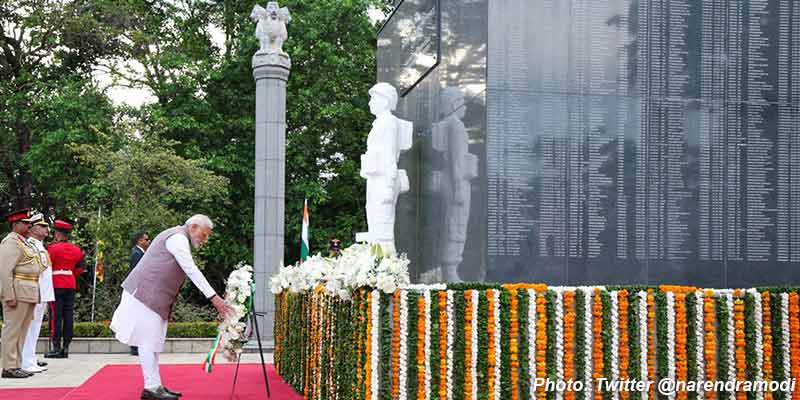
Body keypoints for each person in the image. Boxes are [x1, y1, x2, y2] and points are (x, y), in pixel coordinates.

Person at [111, 215, 233, 400]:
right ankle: (151, 388)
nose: (204, 239)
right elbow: (190, 269)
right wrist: (214, 298)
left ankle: (155, 386)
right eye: (204, 234)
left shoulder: (179, 236)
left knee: (153, 342)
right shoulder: (178, 238)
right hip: (144, 295)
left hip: (153, 298)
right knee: (147, 342)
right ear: (192, 226)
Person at [0, 208, 41, 379]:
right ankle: (8, 366)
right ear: (15, 224)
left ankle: (16, 364)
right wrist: (8, 295)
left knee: (22, 331)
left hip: (28, 291)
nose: (28, 225)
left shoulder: (23, 242)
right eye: (25, 223)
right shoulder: (10, 242)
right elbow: (5, 271)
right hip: (17, 291)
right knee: (12, 331)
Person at [44, 219, 86, 359]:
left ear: (57, 234)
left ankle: (56, 347)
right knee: (68, 316)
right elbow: (80, 267)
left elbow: (46, 265)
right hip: (70, 283)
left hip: (56, 283)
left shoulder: (51, 248)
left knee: (56, 316)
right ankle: (66, 347)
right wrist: (70, 274)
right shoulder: (76, 249)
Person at [21, 212, 55, 373]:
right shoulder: (29, 245)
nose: (46, 229)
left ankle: (31, 357)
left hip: (42, 293)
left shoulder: (39, 245)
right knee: (29, 328)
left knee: (35, 328)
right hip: (34, 292)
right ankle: (25, 361)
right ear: (32, 228)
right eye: (42, 226)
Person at [127, 232, 150, 356]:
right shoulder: (137, 254)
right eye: (147, 239)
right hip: (138, 290)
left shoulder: (141, 253)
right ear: (140, 241)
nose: (149, 241)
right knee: (136, 318)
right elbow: (137, 274)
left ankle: (138, 344)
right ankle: (135, 346)